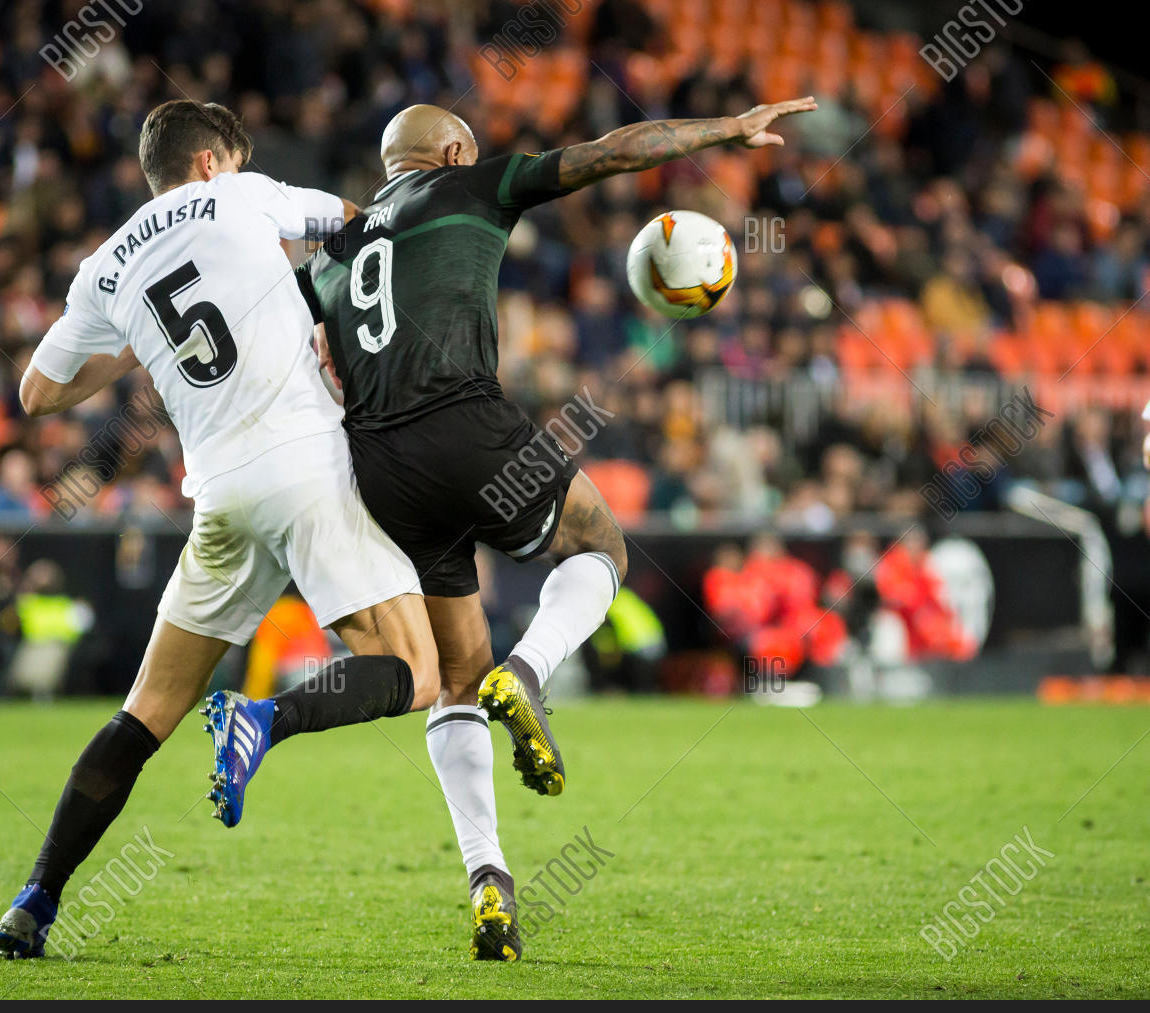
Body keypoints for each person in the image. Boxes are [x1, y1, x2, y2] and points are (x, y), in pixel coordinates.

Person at [296, 97, 817, 960]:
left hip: (380, 471)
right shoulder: (468, 186)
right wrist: (724, 131)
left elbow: (311, 360)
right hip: (465, 424)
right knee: (600, 545)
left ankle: (489, 885)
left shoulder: (332, 256)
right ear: (454, 149)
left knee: (452, 681)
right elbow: (614, 152)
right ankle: (530, 674)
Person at [0, 100, 440, 959]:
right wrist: (328, 313)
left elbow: (37, 396)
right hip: (307, 467)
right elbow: (356, 222)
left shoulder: (103, 269)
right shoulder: (245, 195)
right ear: (210, 162)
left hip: (222, 495)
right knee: (419, 674)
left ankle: (36, 897)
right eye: (231, 159)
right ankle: (261, 719)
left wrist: (134, 346)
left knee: (146, 711)